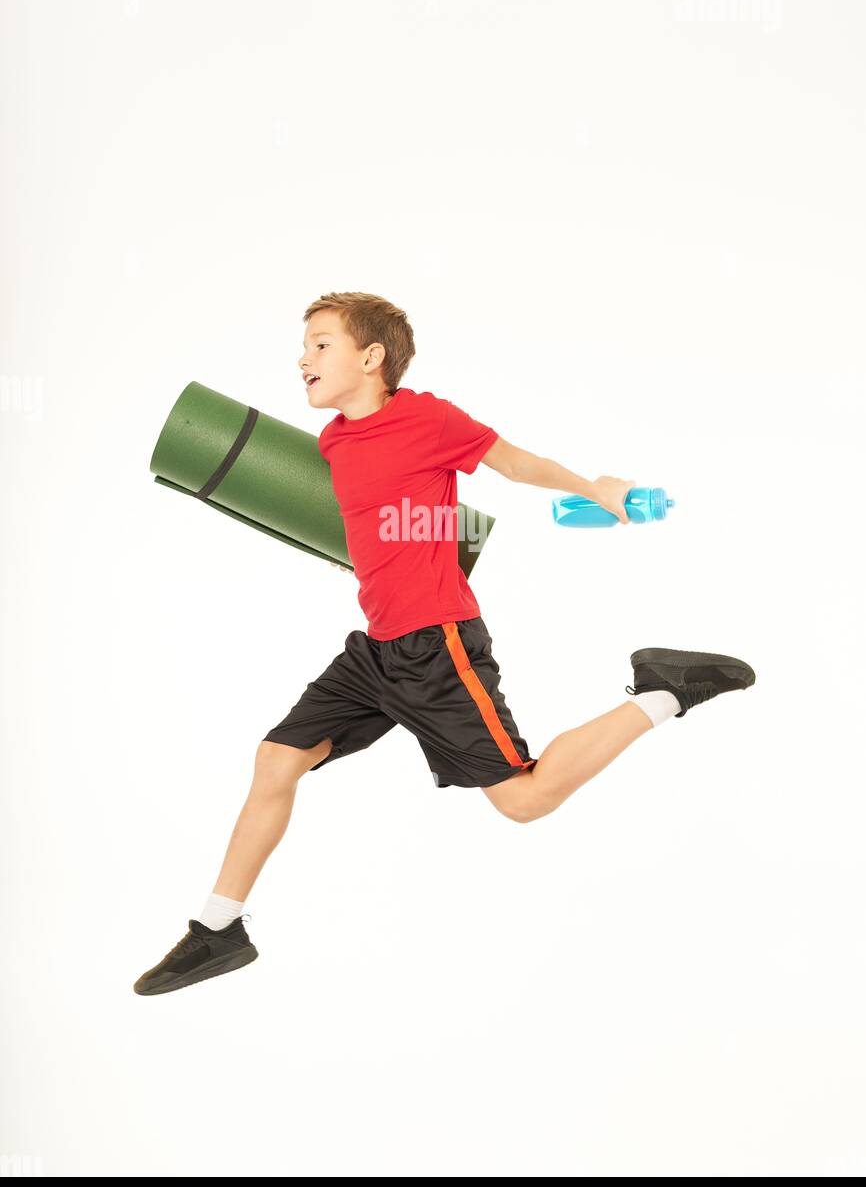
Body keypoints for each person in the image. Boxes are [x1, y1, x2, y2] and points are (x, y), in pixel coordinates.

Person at [134, 291, 755, 996]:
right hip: (375, 649)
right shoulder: (335, 440)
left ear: (371, 358)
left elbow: (515, 465)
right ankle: (218, 931)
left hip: (436, 644)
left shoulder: (426, 417)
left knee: (523, 800)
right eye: (303, 345)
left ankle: (665, 691)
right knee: (277, 758)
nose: (302, 357)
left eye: (320, 344)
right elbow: (371, 519)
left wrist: (597, 490)